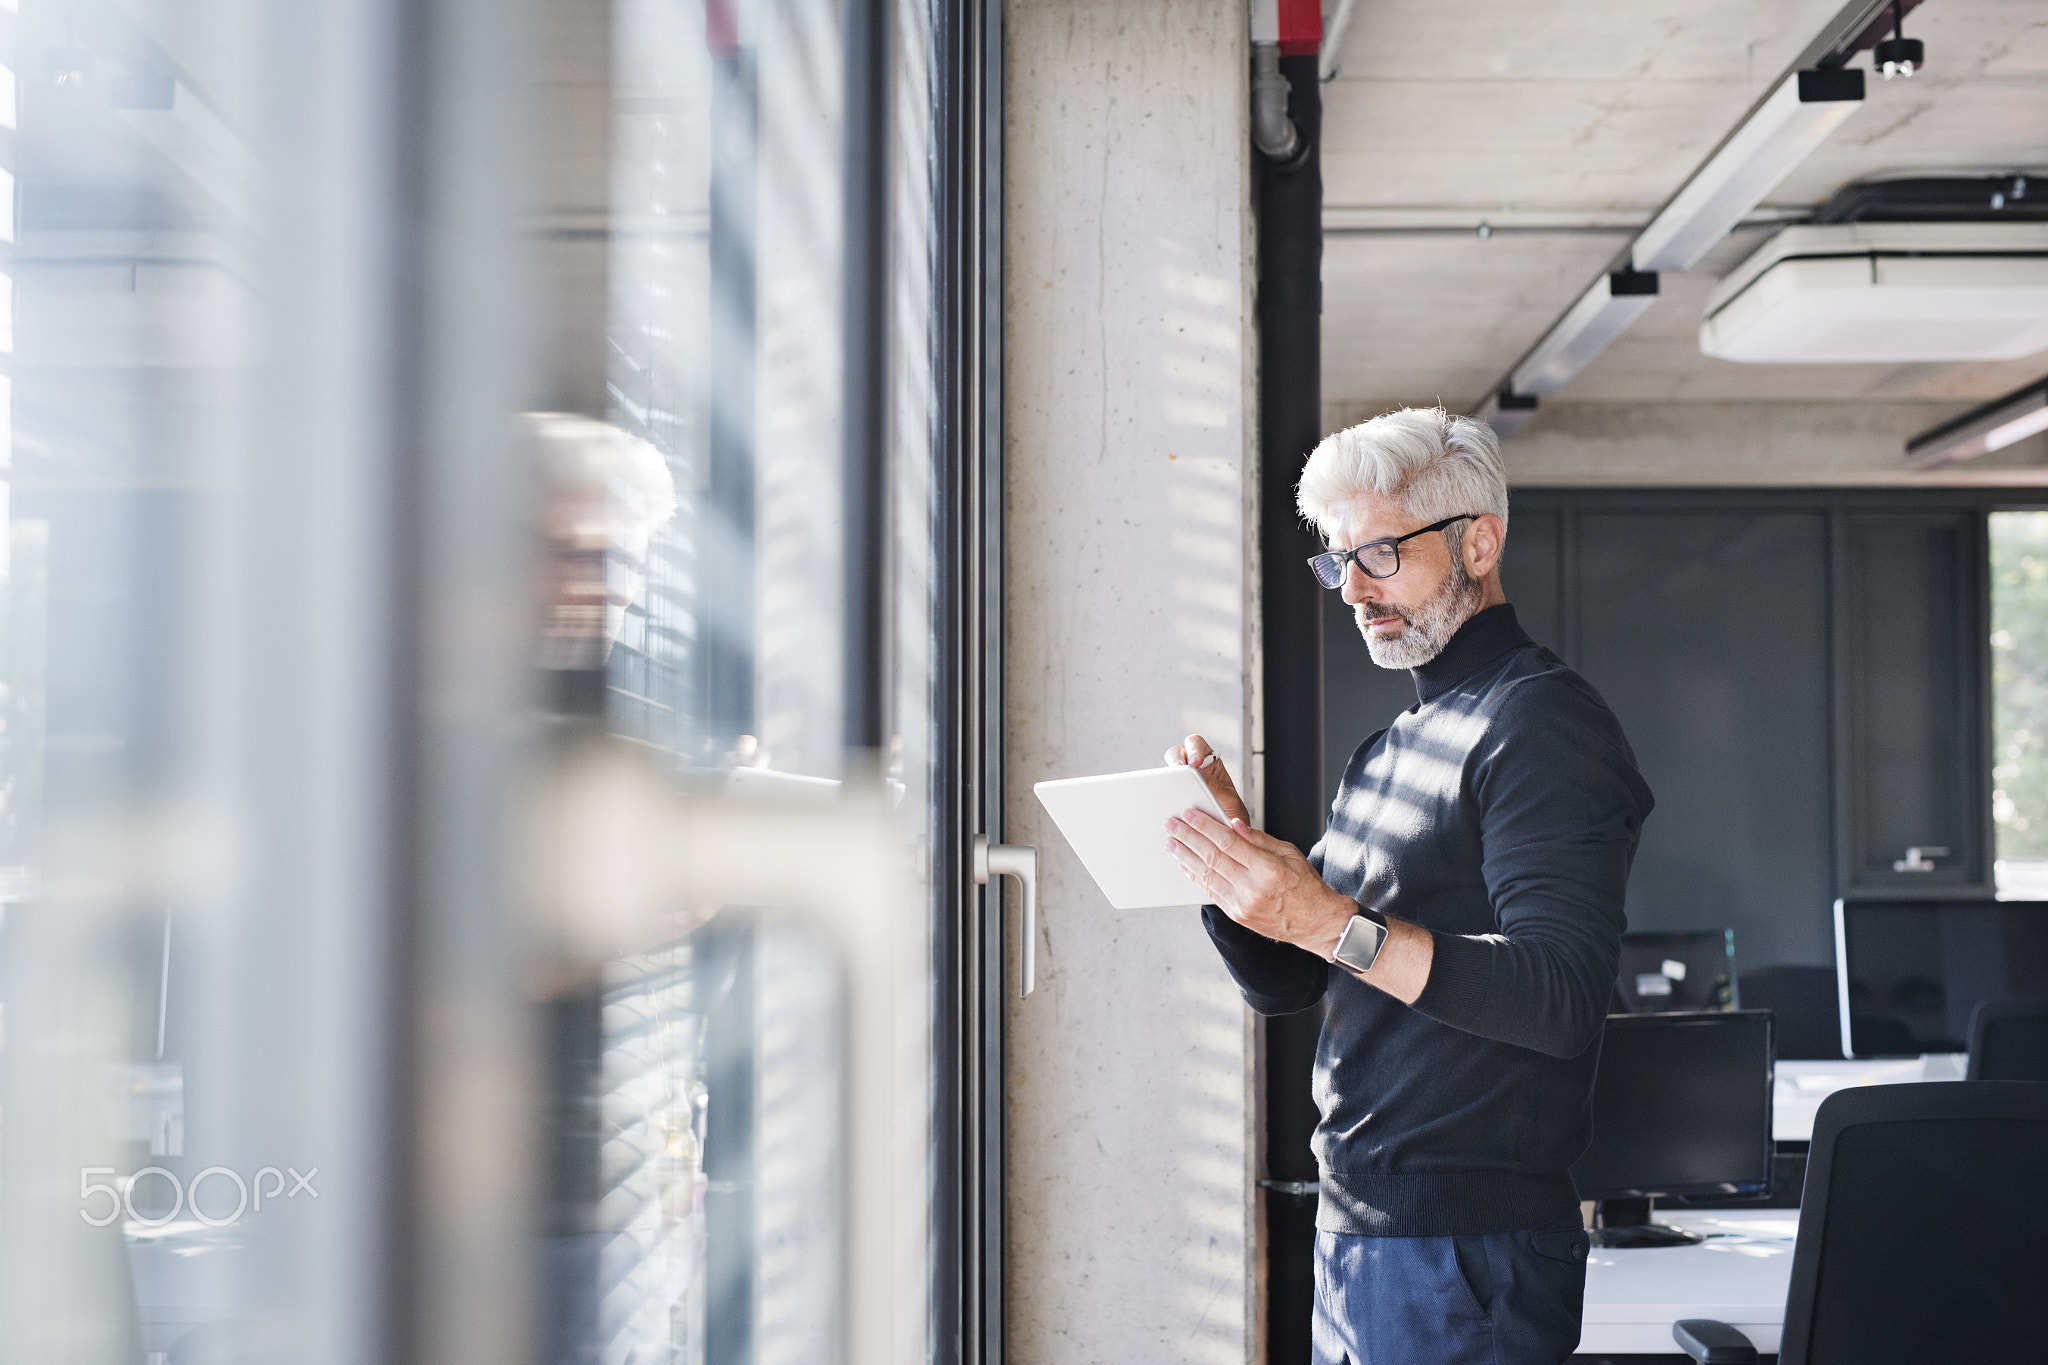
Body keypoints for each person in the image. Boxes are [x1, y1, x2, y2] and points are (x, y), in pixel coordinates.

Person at [1165, 406, 1653, 1365]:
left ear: (1479, 539)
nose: (1351, 588)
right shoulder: (1386, 754)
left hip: (1466, 1252)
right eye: (1337, 559)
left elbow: (1560, 994)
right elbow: (1294, 983)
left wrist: (1330, 919)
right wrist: (1238, 875)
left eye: (1379, 552)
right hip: (1365, 1237)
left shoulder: (1541, 722)